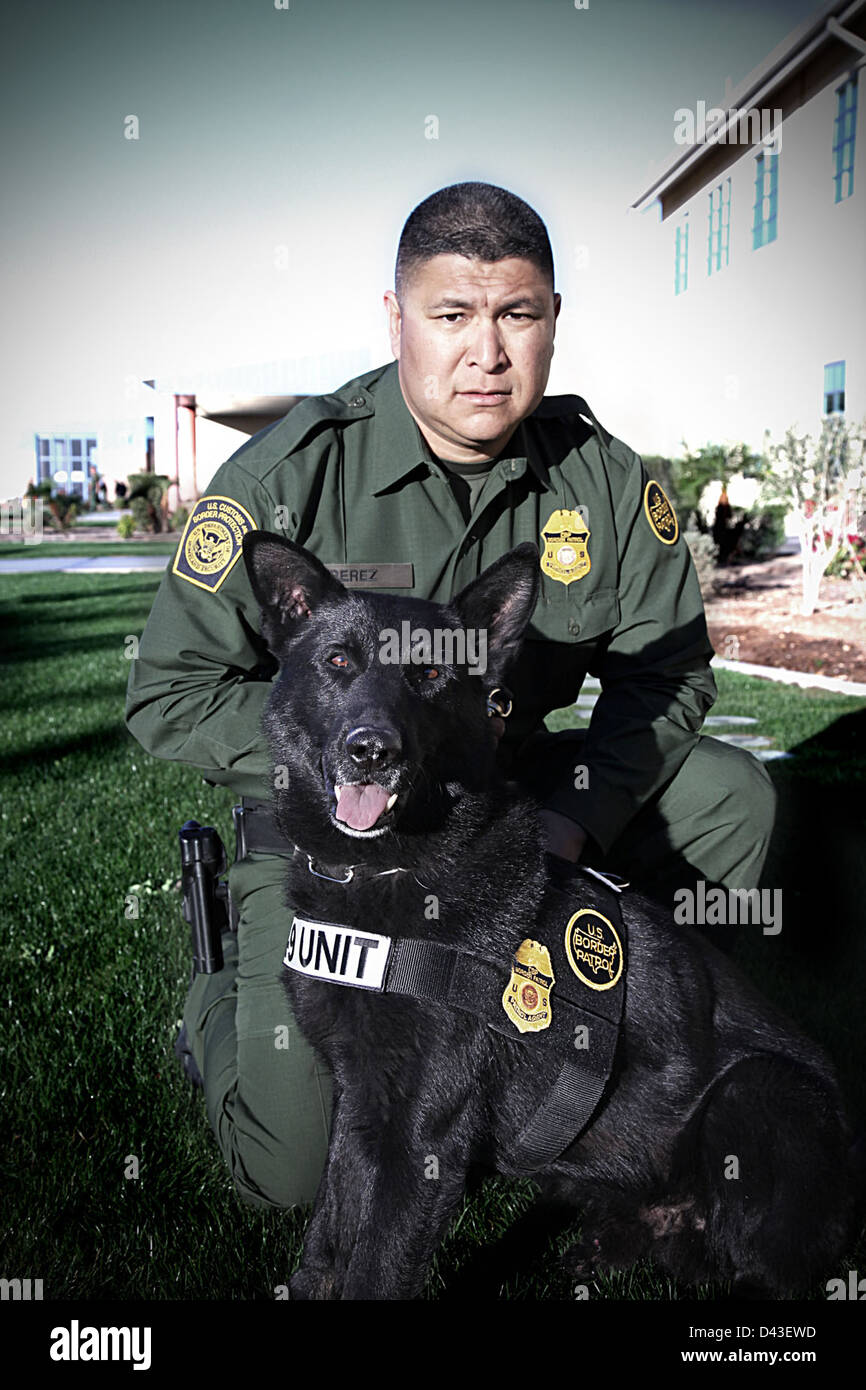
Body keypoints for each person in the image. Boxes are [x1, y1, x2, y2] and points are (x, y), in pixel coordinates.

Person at [125, 181, 776, 1210]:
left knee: (731, 795)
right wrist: (340, 760)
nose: (487, 352)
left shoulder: (601, 482)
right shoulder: (288, 476)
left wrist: (577, 814)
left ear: (552, 319)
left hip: (505, 804)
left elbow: (666, 671)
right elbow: (169, 690)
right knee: (293, 1173)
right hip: (329, 829)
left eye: (517, 314)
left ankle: (652, 1061)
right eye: (451, 315)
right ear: (394, 319)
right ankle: (213, 1000)